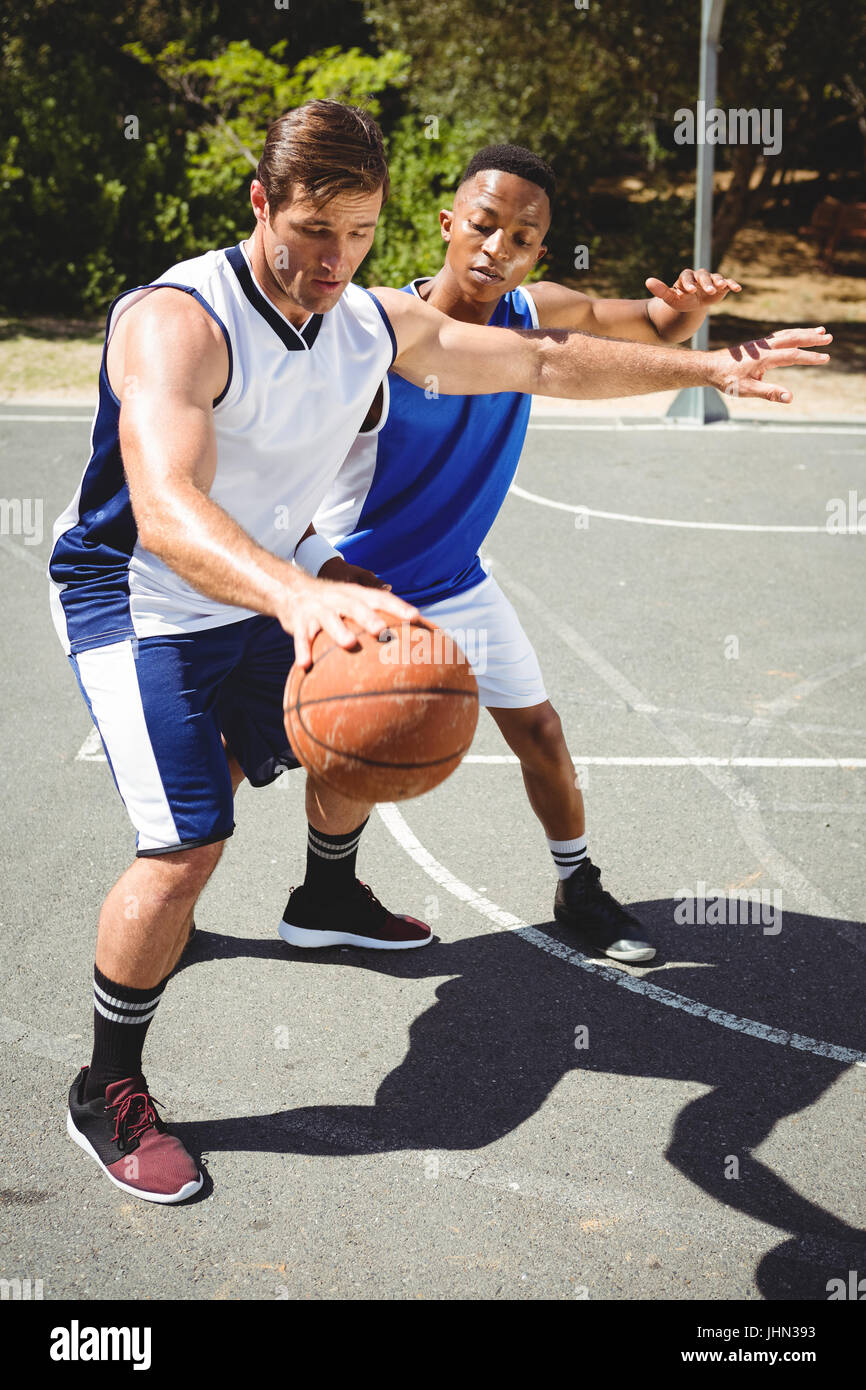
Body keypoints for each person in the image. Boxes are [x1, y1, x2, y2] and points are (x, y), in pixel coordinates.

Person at [48, 101, 830, 1203]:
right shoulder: (180, 320)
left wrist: (705, 370)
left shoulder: (367, 322)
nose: (335, 261)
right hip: (143, 597)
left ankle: (320, 904)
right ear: (260, 202)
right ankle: (107, 1087)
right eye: (313, 231)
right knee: (184, 842)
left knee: (320, 743)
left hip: (277, 581)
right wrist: (299, 595)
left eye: (359, 234)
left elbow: (543, 362)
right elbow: (168, 508)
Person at [287, 142, 826, 966]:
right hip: (361, 585)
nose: (498, 246)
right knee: (345, 746)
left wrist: (686, 311)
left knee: (539, 730)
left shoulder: (537, 313)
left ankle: (579, 888)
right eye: (484, 224)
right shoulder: (375, 328)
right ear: (447, 223)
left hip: (457, 581)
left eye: (522, 236)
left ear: (540, 252)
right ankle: (319, 889)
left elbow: (645, 328)